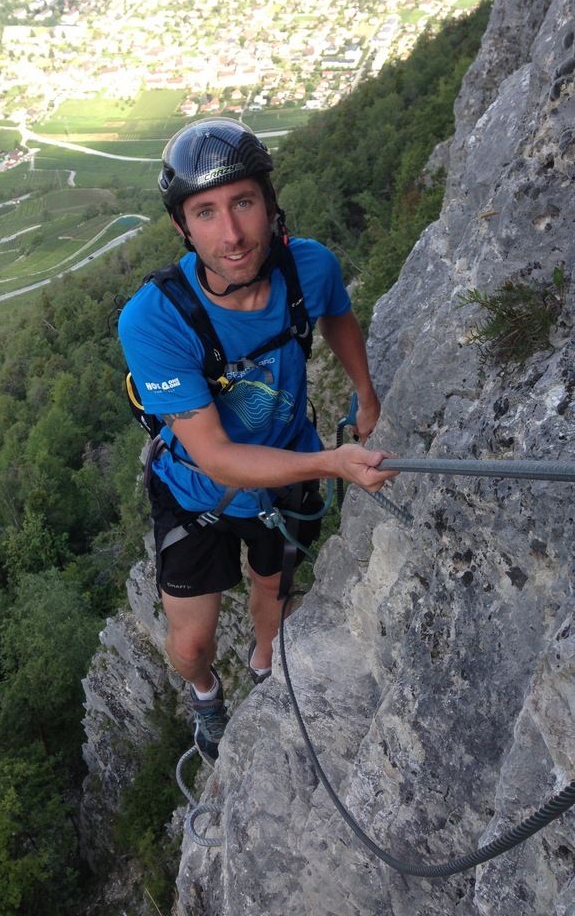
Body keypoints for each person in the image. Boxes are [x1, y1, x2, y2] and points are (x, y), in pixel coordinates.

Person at [118, 117, 396, 764]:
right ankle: (208, 697)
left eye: (243, 202)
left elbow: (337, 317)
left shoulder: (308, 268)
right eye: (206, 213)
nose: (233, 233)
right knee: (189, 647)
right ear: (182, 228)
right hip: (195, 489)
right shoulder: (155, 319)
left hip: (289, 465)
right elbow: (214, 455)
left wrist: (368, 396)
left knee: (274, 593)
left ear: (270, 204)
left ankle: (267, 667)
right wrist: (333, 463)